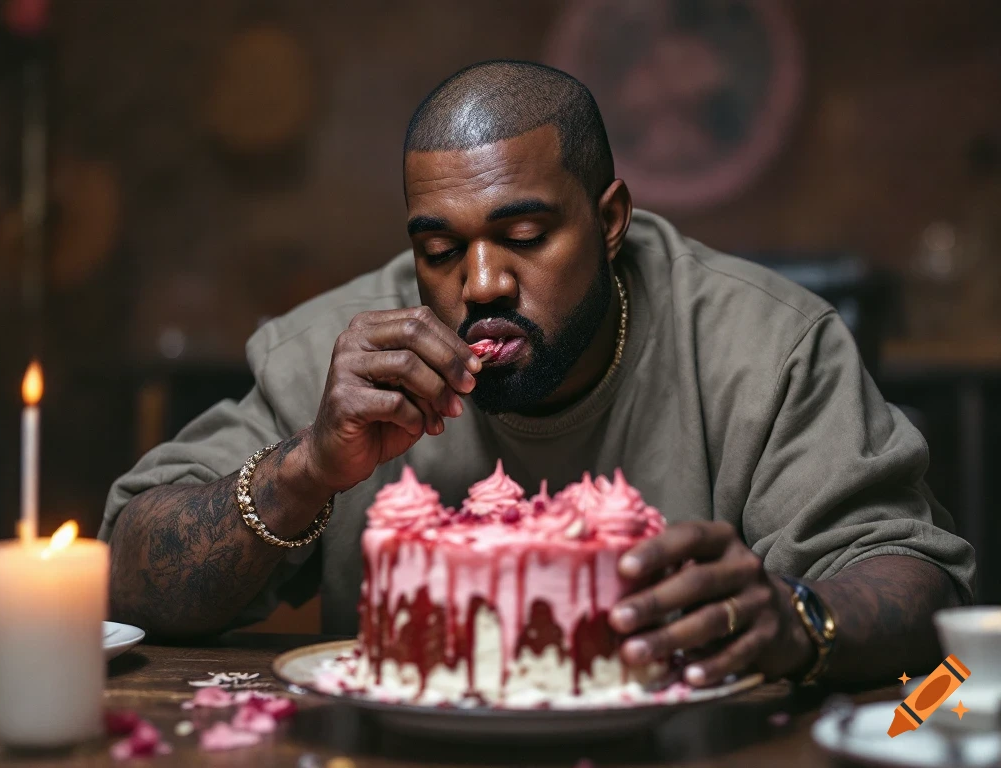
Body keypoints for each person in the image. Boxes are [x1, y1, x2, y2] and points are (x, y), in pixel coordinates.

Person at [101, 61, 974, 688]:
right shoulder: (346, 358)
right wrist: (304, 470)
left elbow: (914, 579)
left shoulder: (766, 346)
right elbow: (121, 582)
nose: (481, 283)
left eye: (524, 237)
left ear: (610, 220)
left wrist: (797, 617)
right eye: (440, 250)